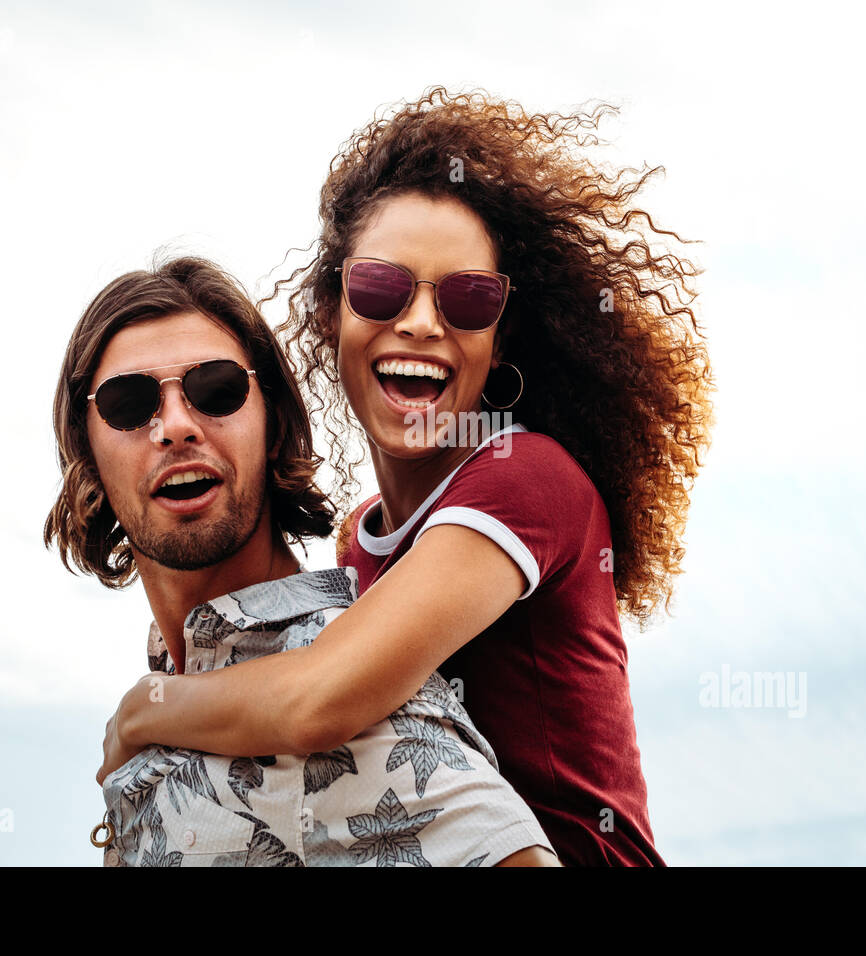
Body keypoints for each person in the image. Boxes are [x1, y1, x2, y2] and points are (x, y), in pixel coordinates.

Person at [101, 87, 715, 866]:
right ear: (331, 310)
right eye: (383, 288)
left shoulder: (524, 476)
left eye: (467, 299)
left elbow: (315, 699)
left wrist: (142, 711)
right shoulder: (362, 545)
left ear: (501, 335)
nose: (422, 321)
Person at [45, 255, 559, 866]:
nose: (176, 426)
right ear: (87, 452)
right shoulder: (181, 683)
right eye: (129, 403)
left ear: (276, 426)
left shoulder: (341, 678)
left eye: (218, 390)